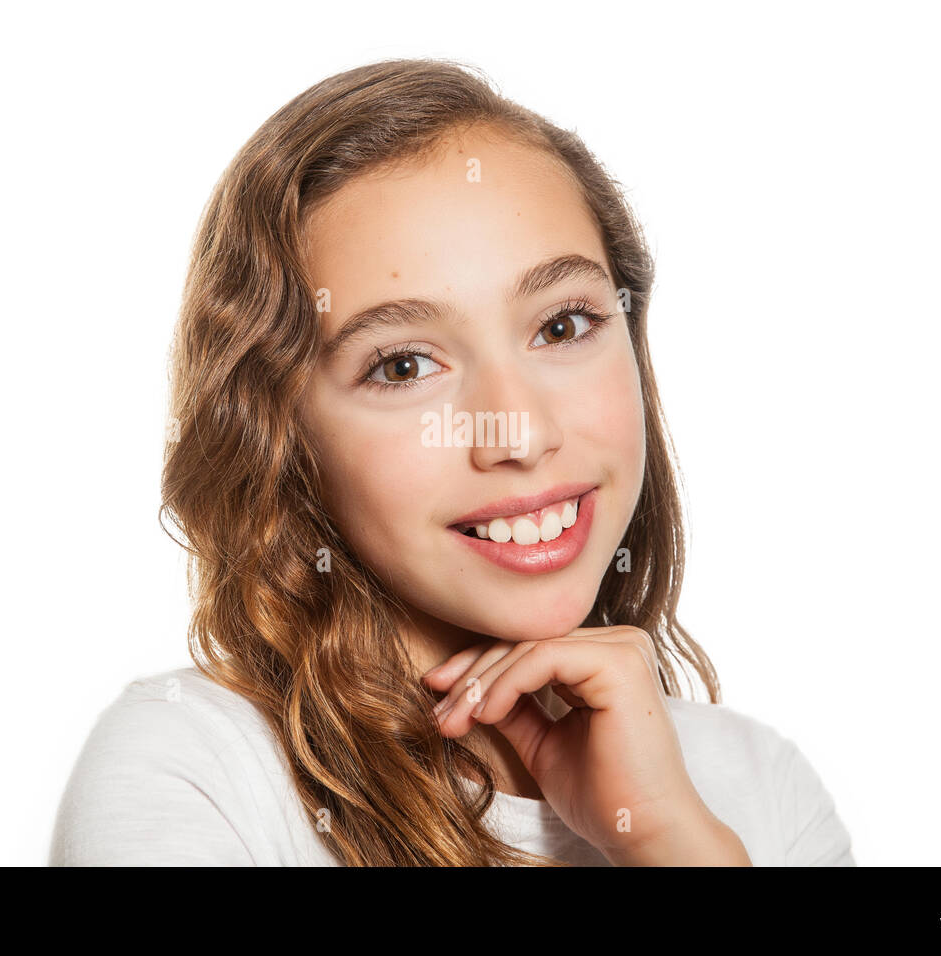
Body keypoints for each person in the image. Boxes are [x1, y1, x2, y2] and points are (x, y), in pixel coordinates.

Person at [48, 57, 855, 867]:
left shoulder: (758, 793)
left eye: (564, 326)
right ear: (280, 436)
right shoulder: (195, 771)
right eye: (403, 366)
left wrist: (668, 839)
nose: (521, 432)